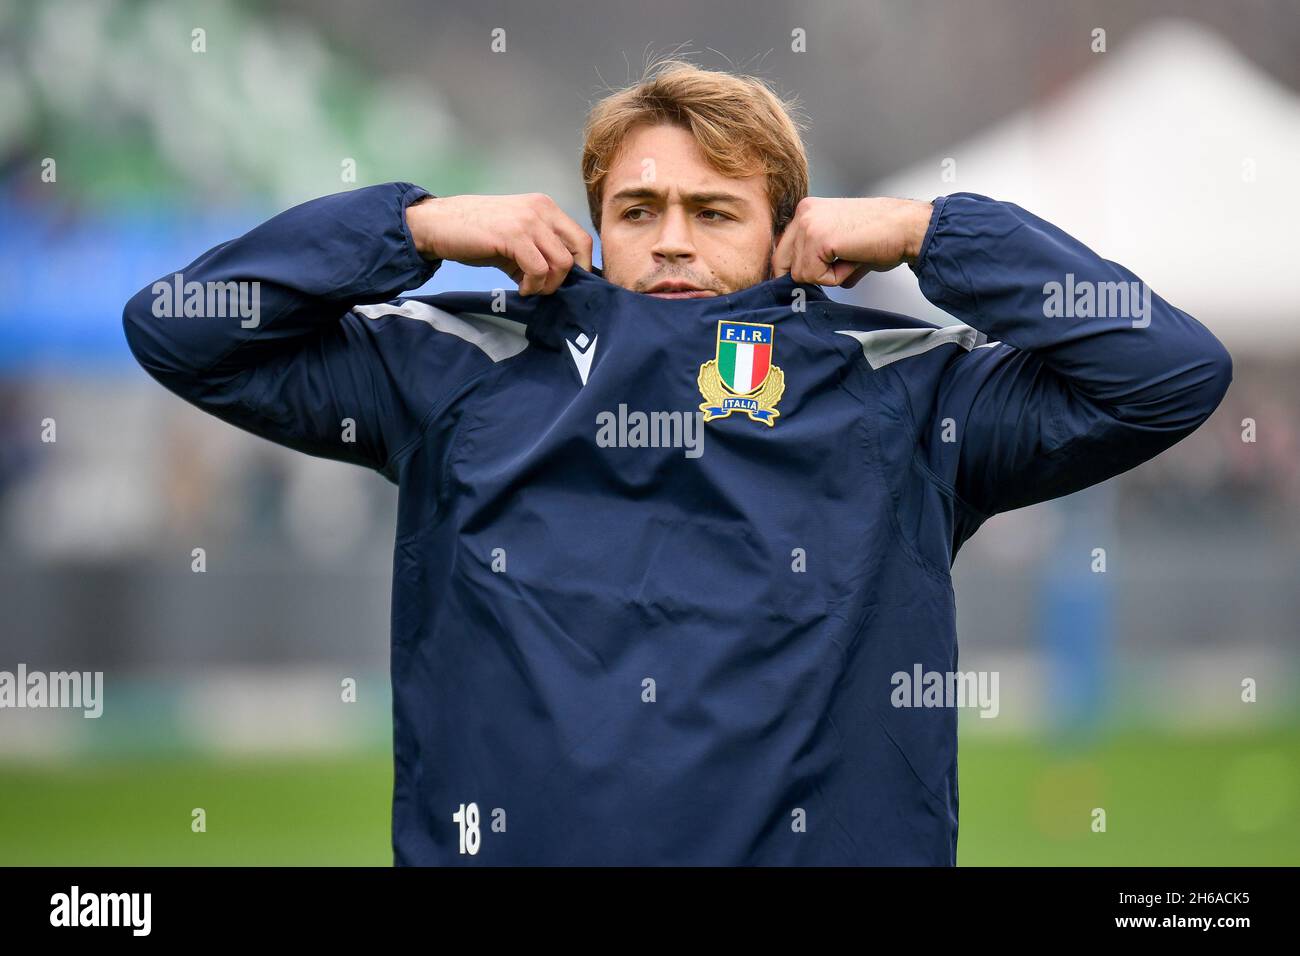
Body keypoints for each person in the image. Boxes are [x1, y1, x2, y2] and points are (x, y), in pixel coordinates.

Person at [122, 59, 1231, 865]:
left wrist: (931, 232)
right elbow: (182, 327)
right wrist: (410, 229)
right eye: (638, 208)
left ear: (791, 234)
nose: (671, 241)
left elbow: (1168, 372)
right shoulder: (461, 367)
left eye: (714, 210)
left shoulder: (900, 388)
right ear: (592, 227)